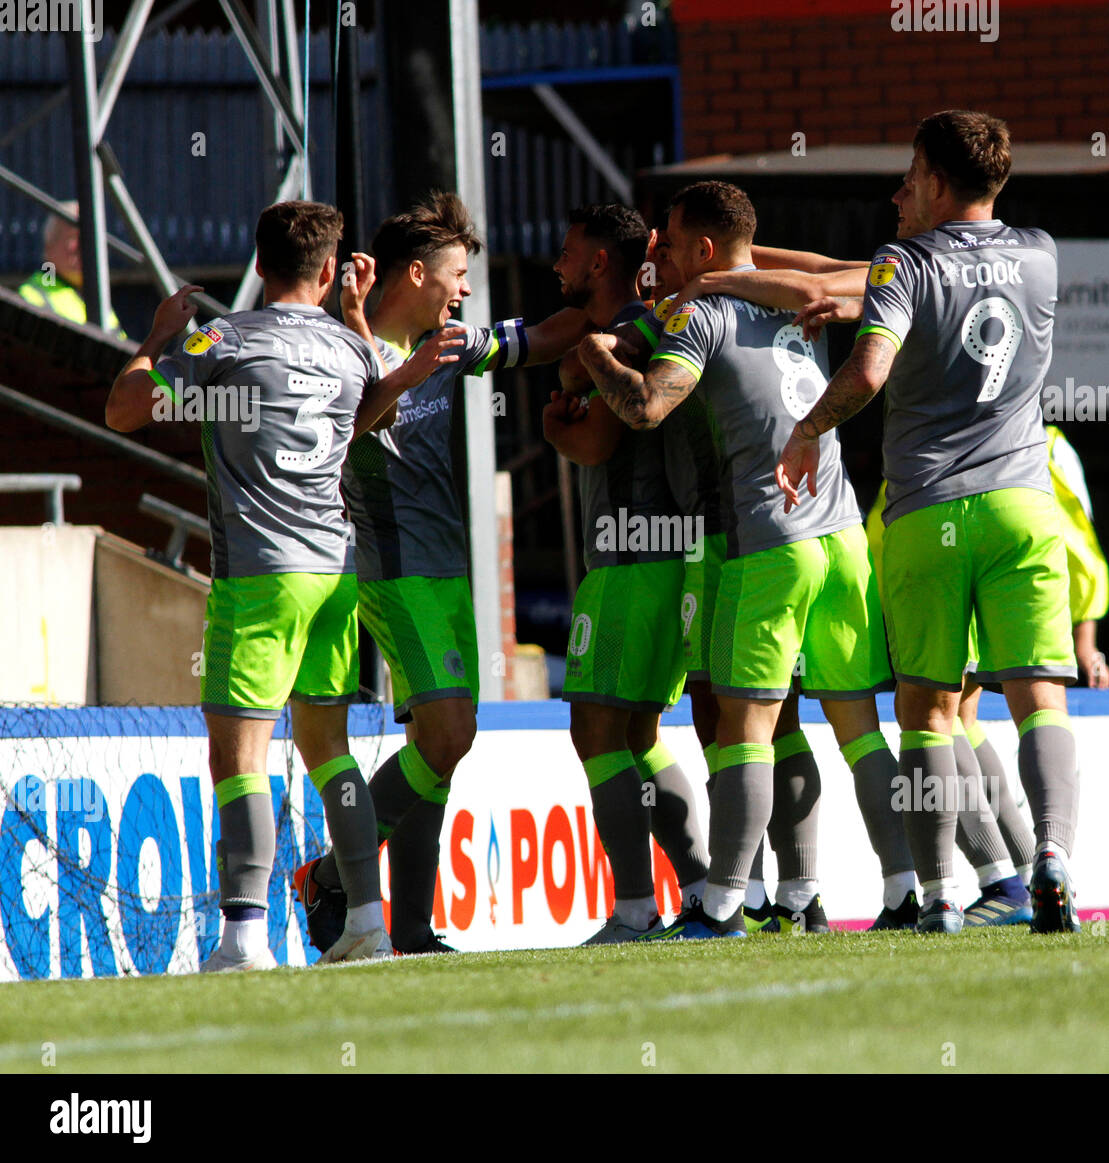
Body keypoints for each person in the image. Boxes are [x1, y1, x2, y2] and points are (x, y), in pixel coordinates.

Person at [105, 200, 462, 969]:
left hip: (261, 575)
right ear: (331, 272)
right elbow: (365, 417)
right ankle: (366, 917)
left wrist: (159, 336)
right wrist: (394, 362)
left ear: (259, 263)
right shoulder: (347, 345)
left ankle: (243, 936)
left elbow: (124, 409)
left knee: (240, 754)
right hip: (335, 574)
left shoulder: (225, 336)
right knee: (329, 752)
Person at [780, 110, 1081, 934]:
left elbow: (871, 370)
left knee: (930, 711)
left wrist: (808, 428)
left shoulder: (901, 264)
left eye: (911, 175)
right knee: (1038, 697)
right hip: (1024, 503)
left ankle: (941, 892)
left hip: (928, 510)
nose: (898, 190)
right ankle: (1052, 855)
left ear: (940, 185)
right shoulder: (1042, 254)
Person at [580, 181, 893, 939]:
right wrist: (738, 266)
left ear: (704, 250)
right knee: (847, 728)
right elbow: (863, 269)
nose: (659, 251)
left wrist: (594, 355)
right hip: (841, 530)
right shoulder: (804, 300)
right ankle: (904, 887)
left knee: (737, 725)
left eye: (673, 239)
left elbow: (647, 406)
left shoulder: (701, 309)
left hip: (748, 536)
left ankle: (724, 898)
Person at [294, 192, 592, 956]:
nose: (465, 291)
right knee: (451, 733)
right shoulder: (339, 344)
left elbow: (545, 337)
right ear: (418, 273)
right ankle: (329, 876)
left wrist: (616, 309)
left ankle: (415, 928)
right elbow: (353, 423)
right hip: (393, 574)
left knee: (443, 744)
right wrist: (365, 329)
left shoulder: (451, 345)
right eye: (457, 275)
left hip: (448, 570)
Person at [543, 204, 711, 942]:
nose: (556, 263)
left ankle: (635, 908)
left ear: (601, 263)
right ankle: (705, 888)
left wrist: (556, 427)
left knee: (597, 732)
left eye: (568, 251)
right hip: (666, 558)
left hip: (629, 560)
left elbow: (596, 445)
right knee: (640, 735)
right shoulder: (642, 327)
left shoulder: (621, 337)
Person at [19, 202, 127, 338]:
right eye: (76, 238)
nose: (84, 247)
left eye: (88, 239)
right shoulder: (35, 295)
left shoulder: (95, 296)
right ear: (49, 245)